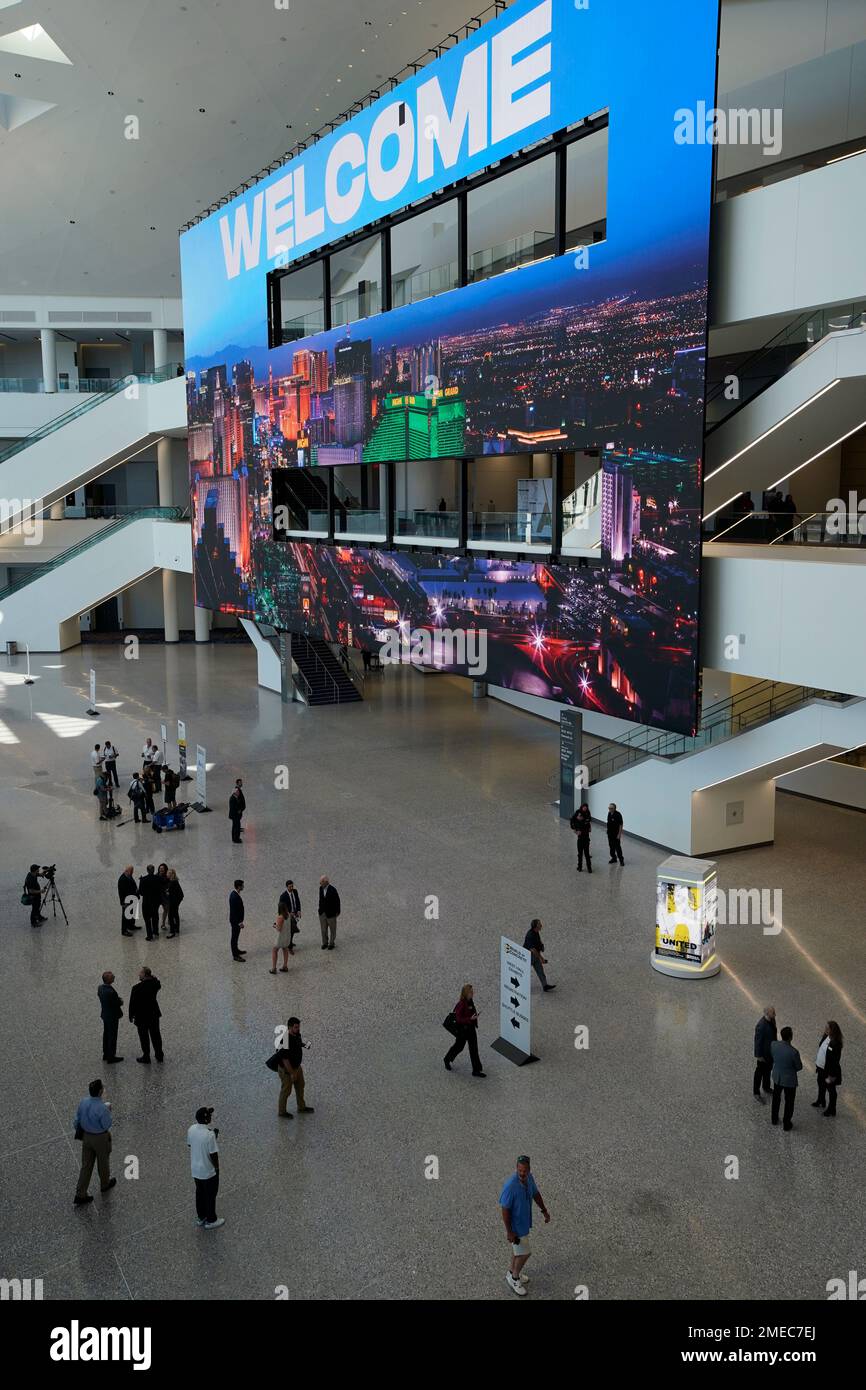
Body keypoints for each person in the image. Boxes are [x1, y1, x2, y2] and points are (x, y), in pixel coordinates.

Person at [499, 1156, 550, 1296]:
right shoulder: (511, 1186)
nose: (522, 1173)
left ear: (529, 1170)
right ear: (516, 1169)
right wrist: (509, 1232)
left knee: (518, 1251)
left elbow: (535, 1194)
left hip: (524, 1223)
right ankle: (515, 1278)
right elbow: (505, 1210)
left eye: (525, 1171)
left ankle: (512, 1273)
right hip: (516, 1227)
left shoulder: (529, 1178)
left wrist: (544, 1210)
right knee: (525, 1253)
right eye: (520, 1170)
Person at [73, 1079, 116, 1206]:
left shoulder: (83, 1102)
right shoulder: (102, 1108)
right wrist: (108, 1110)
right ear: (100, 1091)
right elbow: (107, 1124)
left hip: (86, 1137)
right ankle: (105, 1184)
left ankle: (80, 1193)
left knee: (86, 1165)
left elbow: (76, 1121)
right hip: (100, 1138)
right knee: (103, 1161)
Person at [187, 1105, 224, 1229]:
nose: (211, 1117)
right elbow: (213, 1154)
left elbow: (190, 1144)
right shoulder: (209, 1135)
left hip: (195, 1169)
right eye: (210, 1115)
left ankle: (201, 1217)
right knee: (210, 1195)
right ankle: (211, 1220)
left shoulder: (191, 1129)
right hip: (208, 1171)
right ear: (206, 1119)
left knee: (200, 1193)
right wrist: (217, 1168)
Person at [276, 1017, 315, 1118]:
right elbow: (285, 1059)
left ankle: (301, 1107)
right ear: (290, 1027)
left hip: (296, 1067)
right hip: (286, 1070)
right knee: (286, 1091)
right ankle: (282, 1112)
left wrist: (305, 1045)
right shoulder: (285, 1040)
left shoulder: (297, 1034)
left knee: (300, 1086)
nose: (298, 1029)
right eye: (296, 1027)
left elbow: (297, 1043)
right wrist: (292, 1073)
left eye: (299, 1027)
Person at [444, 984, 486, 1077]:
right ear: (466, 993)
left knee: (474, 1049)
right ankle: (447, 1059)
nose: (473, 993)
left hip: (470, 1028)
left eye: (472, 991)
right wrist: (470, 1019)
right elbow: (458, 1019)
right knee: (459, 1047)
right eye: (471, 992)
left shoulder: (470, 1001)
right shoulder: (461, 1004)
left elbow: (471, 1012)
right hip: (462, 1030)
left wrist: (474, 1018)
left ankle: (476, 1070)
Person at [770, 1025, 803, 1131]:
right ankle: (786, 1123)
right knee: (789, 1102)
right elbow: (799, 1067)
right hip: (789, 1080)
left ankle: (774, 1119)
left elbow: (773, 1056)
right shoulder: (793, 1052)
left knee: (776, 1098)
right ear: (790, 1037)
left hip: (777, 1076)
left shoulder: (774, 1044)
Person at [129, 965, 163, 1064]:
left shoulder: (136, 988)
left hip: (141, 1016)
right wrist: (154, 977)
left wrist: (131, 1015)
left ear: (144, 974)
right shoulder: (154, 985)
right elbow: (158, 983)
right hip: (153, 1014)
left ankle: (146, 1056)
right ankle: (159, 1054)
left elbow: (133, 1004)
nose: (138, 974)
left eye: (140, 973)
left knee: (144, 1037)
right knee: (156, 1035)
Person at [812, 1020, 843, 1118]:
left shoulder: (836, 1043)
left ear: (832, 1030)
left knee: (831, 1090)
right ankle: (821, 1100)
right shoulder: (826, 1036)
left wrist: (832, 1075)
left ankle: (832, 1109)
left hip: (829, 1071)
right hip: (821, 1068)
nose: (825, 1029)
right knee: (820, 1084)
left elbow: (835, 1061)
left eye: (827, 1028)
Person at [98, 971, 124, 1063]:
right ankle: (111, 1056)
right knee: (112, 1036)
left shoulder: (100, 988)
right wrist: (120, 1001)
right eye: (112, 976)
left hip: (105, 1015)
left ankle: (106, 1053)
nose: (114, 976)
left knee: (106, 1034)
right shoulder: (110, 992)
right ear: (108, 979)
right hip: (112, 1016)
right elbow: (116, 1003)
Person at [752, 1005, 777, 1102]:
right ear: (767, 1013)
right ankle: (756, 1092)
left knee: (768, 1070)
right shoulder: (761, 1025)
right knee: (759, 1073)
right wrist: (758, 1055)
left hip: (770, 1053)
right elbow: (757, 1041)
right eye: (773, 1013)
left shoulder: (772, 1020)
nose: (775, 1014)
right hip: (763, 1055)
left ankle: (766, 1087)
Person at [524, 918, 555, 992]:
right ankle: (520, 986)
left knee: (540, 970)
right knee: (524, 971)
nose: (541, 925)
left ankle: (545, 986)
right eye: (539, 924)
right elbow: (533, 950)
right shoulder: (530, 935)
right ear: (536, 926)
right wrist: (541, 958)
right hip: (529, 956)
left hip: (535, 955)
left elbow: (538, 942)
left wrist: (541, 946)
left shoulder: (536, 932)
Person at [138, 864, 162, 941]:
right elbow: (160, 890)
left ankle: (149, 936)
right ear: (154, 870)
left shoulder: (143, 879)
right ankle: (156, 931)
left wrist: (141, 881)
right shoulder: (158, 878)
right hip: (155, 902)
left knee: (147, 919)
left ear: (147, 870)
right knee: (155, 917)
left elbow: (141, 893)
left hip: (146, 903)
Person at [278, 879, 301, 954]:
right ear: (286, 887)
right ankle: (289, 946)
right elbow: (281, 908)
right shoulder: (283, 896)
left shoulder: (295, 891)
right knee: (290, 931)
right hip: (288, 916)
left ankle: (290, 942)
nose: (291, 888)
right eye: (290, 887)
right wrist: (288, 914)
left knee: (293, 930)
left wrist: (299, 910)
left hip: (295, 915)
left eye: (292, 886)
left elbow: (297, 901)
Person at [318, 876, 341, 950]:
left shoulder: (333, 890)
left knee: (332, 929)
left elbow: (337, 901)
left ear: (326, 882)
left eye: (321, 882)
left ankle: (331, 943)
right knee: (323, 930)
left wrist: (337, 912)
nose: (320, 883)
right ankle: (325, 943)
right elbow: (320, 899)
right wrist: (319, 909)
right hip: (322, 913)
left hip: (331, 914)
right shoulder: (320, 888)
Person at [117, 864, 140, 937]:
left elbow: (133, 885)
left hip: (132, 898)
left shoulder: (129, 876)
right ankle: (124, 930)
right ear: (126, 871)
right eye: (131, 871)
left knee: (132, 913)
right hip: (126, 900)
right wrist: (123, 902)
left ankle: (131, 926)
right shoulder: (122, 879)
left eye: (132, 871)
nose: (132, 872)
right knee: (125, 916)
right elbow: (121, 892)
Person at [571, 802, 592, 872]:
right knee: (580, 854)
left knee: (587, 854)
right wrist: (575, 830)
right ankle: (579, 867)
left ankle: (589, 868)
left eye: (586, 807)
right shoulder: (578, 812)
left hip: (586, 836)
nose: (585, 808)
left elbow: (588, 821)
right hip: (580, 837)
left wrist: (589, 826)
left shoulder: (588, 813)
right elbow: (572, 820)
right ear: (582, 807)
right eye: (584, 807)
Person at [229, 879, 246, 961]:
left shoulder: (235, 894)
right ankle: (235, 955)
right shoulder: (234, 897)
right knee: (234, 937)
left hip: (237, 921)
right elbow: (234, 912)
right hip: (235, 921)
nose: (243, 886)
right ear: (239, 886)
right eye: (242, 885)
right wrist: (239, 922)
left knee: (236, 936)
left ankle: (236, 950)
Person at [165, 868, 184, 937]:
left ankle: (172, 931)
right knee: (175, 914)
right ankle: (177, 929)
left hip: (173, 902)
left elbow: (171, 893)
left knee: (170, 916)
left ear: (171, 874)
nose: (167, 874)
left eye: (168, 873)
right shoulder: (174, 881)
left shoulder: (173, 882)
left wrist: (167, 893)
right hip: (176, 901)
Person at [229, 778, 246, 842]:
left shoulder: (235, 797)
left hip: (236, 815)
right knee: (236, 826)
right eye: (238, 792)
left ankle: (235, 838)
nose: (239, 793)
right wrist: (239, 810)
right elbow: (234, 807)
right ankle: (236, 839)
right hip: (235, 815)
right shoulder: (233, 799)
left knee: (236, 826)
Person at [157, 863, 170, 931]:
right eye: (160, 868)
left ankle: (163, 924)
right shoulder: (156, 876)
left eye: (162, 869)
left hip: (165, 897)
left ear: (165, 870)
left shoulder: (167, 877)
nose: (161, 869)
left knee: (166, 910)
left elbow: (169, 885)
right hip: (158, 897)